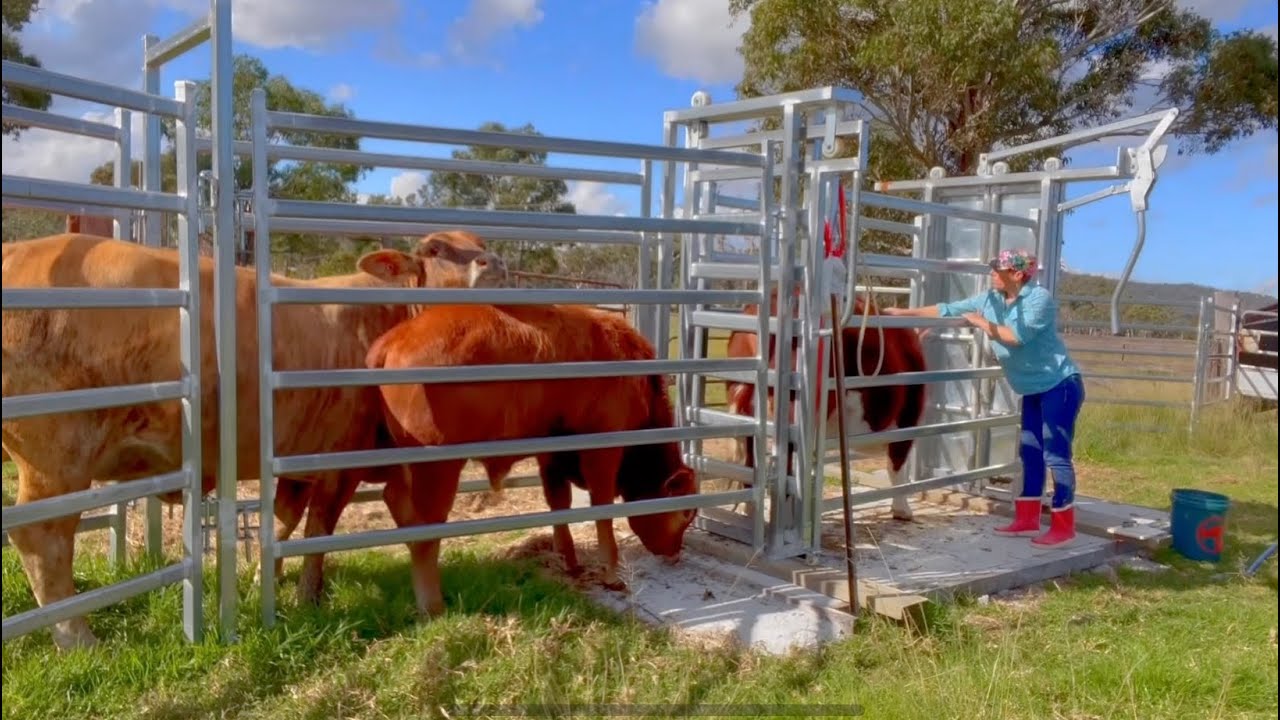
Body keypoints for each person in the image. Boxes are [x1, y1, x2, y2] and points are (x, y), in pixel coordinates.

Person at [882, 248, 1084, 549]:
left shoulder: (1039, 300)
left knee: (1055, 455)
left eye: (998, 270)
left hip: (1059, 385)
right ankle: (1027, 519)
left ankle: (1063, 527)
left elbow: (1017, 337)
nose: (992, 274)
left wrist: (981, 323)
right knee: (1030, 452)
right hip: (1032, 389)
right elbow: (947, 309)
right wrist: (902, 314)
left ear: (1017, 274)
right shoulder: (991, 299)